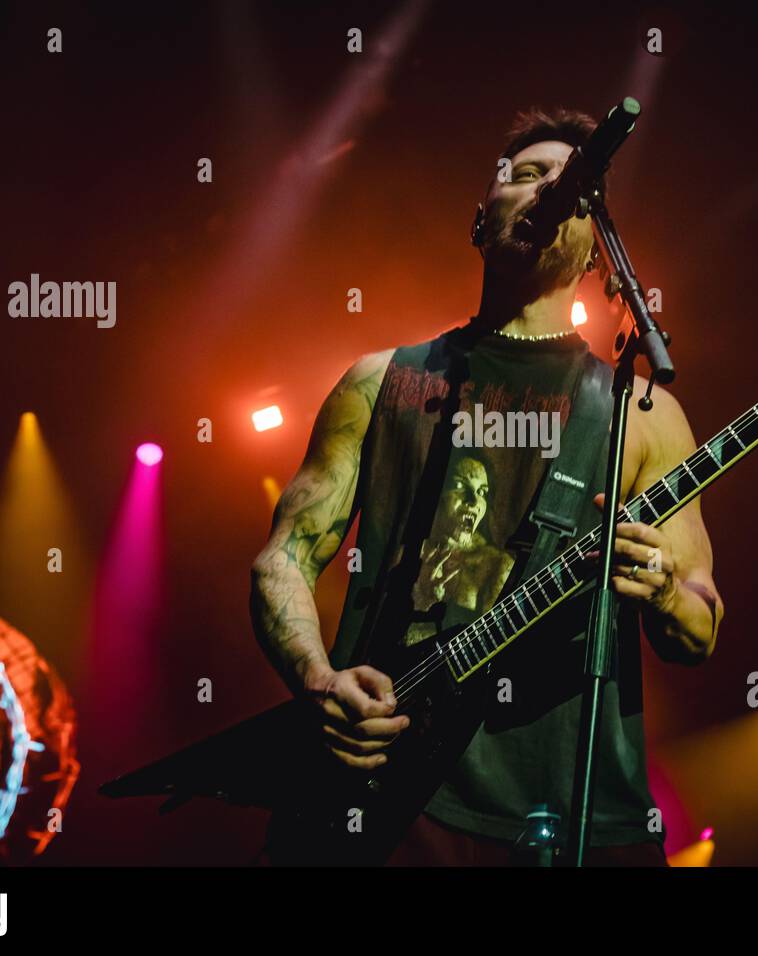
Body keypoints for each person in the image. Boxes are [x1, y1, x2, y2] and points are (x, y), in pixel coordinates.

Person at [251, 107, 722, 865]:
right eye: (525, 176)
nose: (546, 191)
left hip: (576, 818)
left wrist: (665, 588)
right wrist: (316, 681)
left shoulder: (644, 412)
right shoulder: (382, 382)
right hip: (385, 802)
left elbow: (699, 627)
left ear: (598, 250)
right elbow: (284, 557)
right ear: (480, 219)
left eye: (570, 185)